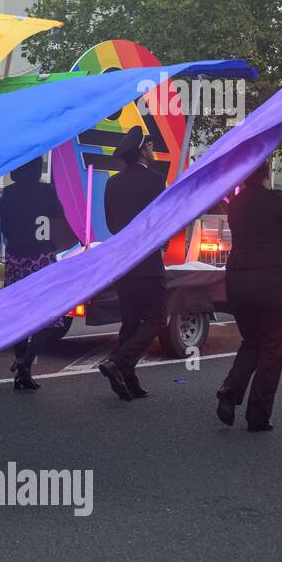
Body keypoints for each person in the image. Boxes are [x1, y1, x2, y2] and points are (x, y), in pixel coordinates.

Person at [216, 159, 282, 432]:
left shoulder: (235, 204)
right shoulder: (276, 199)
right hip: (270, 279)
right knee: (272, 348)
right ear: (267, 173)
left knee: (252, 341)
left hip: (237, 278)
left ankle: (230, 390)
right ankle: (258, 416)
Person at [98, 127, 168, 401]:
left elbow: (111, 224)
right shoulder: (154, 180)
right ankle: (118, 360)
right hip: (147, 258)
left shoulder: (112, 183)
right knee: (156, 317)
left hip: (122, 259)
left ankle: (129, 381)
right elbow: (160, 220)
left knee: (130, 319)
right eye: (149, 144)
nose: (152, 148)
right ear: (141, 150)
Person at [0, 156, 68, 391]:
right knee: (50, 315)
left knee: (18, 314)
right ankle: (26, 364)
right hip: (41, 258)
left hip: (16, 258)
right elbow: (59, 214)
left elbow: (5, 228)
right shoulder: (46, 191)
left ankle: (20, 362)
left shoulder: (9, 193)